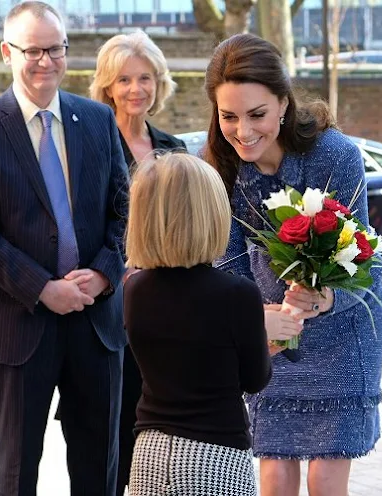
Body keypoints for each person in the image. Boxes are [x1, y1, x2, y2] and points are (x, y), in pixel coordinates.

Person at [0, 2, 130, 495]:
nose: (45, 61)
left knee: (100, 463)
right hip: (17, 321)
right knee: (17, 466)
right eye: (33, 50)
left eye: (55, 49)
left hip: (95, 322)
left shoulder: (96, 119)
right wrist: (43, 288)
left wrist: (105, 273)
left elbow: (123, 210)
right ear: (8, 52)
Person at [203, 33, 382, 496]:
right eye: (229, 116)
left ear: (283, 104)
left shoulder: (335, 155)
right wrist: (260, 324)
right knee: (275, 476)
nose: (243, 131)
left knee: (326, 480)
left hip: (344, 333)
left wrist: (327, 297)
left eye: (257, 114)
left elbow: (368, 263)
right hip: (269, 336)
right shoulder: (219, 171)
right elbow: (229, 270)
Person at [124, 152, 271, 495]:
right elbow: (254, 379)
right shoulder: (236, 293)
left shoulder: (135, 289)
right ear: (211, 214)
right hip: (214, 455)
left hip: (148, 452)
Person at [90, 30, 185, 494]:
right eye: (124, 79)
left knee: (163, 431)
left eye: (145, 78)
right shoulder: (91, 142)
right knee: (116, 428)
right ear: (108, 86)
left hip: (170, 307)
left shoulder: (173, 147)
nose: (136, 89)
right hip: (114, 304)